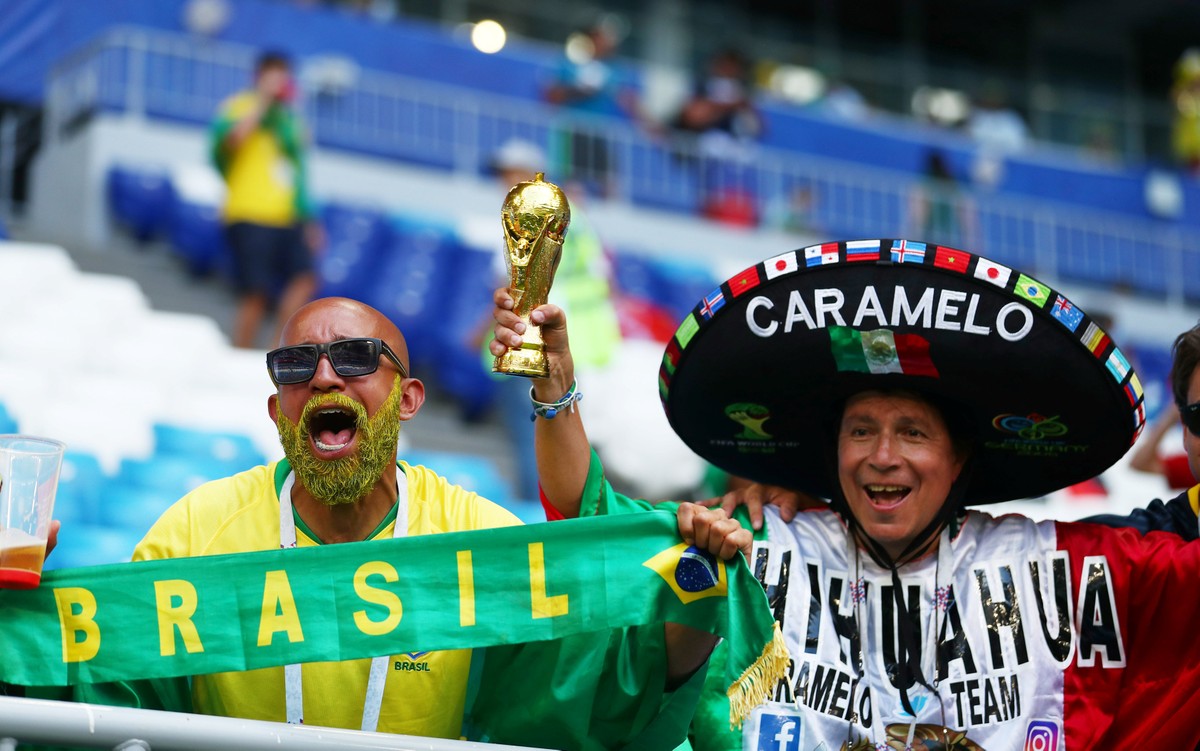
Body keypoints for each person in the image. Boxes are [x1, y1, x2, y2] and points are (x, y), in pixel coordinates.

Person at [492, 238, 1200, 748]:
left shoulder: (1067, 562)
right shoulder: (754, 542)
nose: (882, 456)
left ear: (960, 463)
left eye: (912, 433)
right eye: (860, 430)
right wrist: (555, 392)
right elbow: (593, 521)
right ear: (831, 454)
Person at [17, 295, 743, 748]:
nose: (325, 376)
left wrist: (695, 592)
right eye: (297, 364)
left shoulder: (477, 541)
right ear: (278, 410)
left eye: (357, 356)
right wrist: (18, 616)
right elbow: (101, 691)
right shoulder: (194, 532)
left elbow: (592, 690)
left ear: (408, 399)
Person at [482, 139, 622, 502]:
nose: (504, 181)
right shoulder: (577, 213)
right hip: (587, 347)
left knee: (534, 439)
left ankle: (536, 517)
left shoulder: (522, 214)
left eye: (510, 173)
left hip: (532, 337)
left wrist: (478, 332)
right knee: (574, 438)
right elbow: (606, 279)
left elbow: (508, 285)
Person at [211, 50, 323, 349]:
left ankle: (278, 348)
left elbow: (298, 172)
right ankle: (241, 351)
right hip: (249, 213)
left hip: (288, 217)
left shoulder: (290, 120)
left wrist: (309, 219)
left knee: (306, 278)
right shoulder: (238, 107)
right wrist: (263, 102)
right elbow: (231, 143)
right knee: (255, 292)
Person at [542, 21, 640, 197]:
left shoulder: (614, 71)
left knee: (608, 180)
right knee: (571, 178)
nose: (607, 42)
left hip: (597, 133)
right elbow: (551, 95)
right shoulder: (569, 63)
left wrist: (651, 126)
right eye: (603, 37)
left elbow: (626, 100)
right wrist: (577, 90)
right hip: (571, 129)